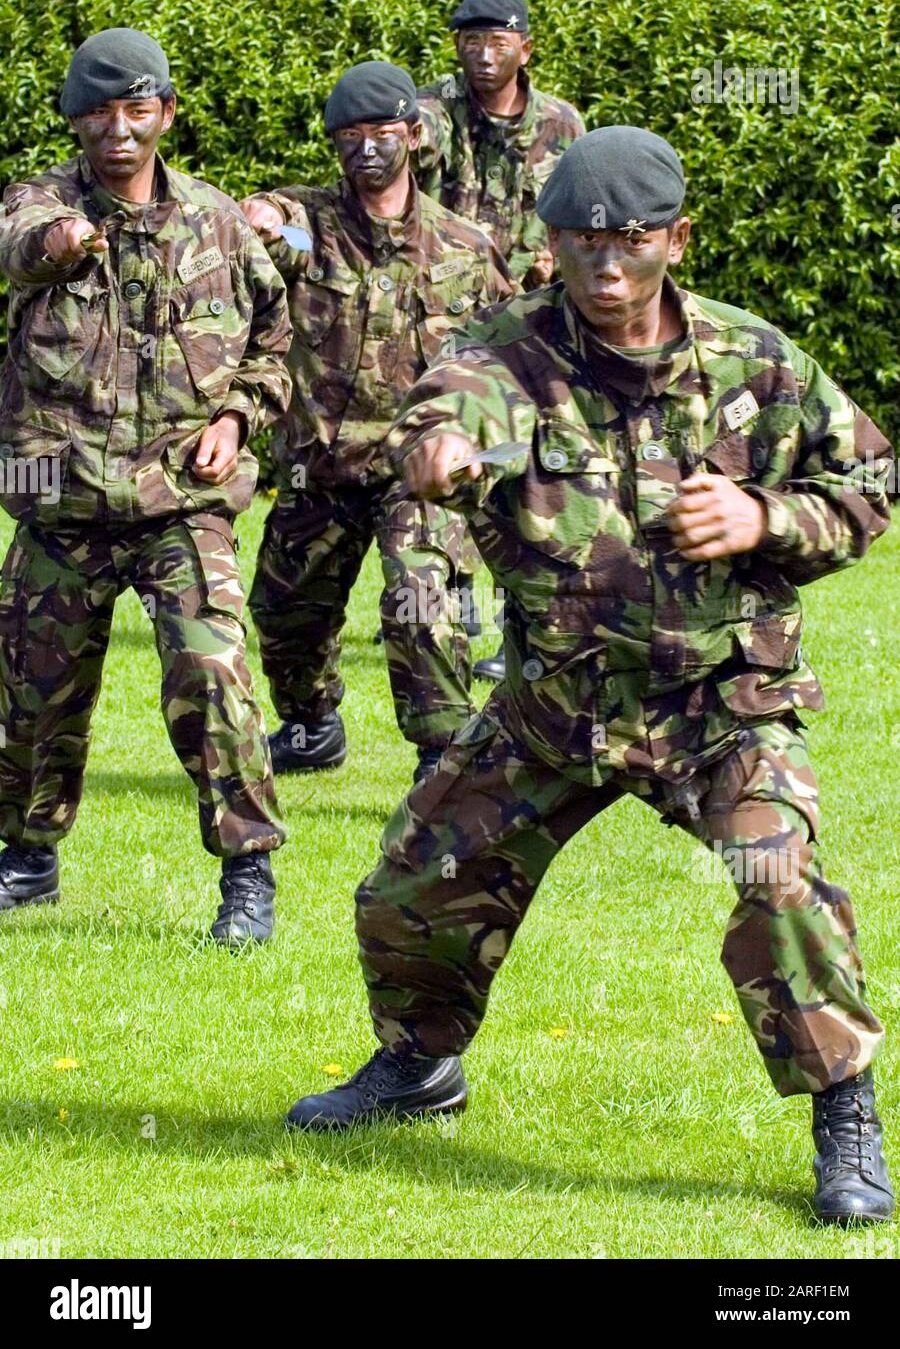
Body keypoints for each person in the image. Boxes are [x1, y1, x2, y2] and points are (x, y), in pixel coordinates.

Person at [284, 126, 895, 1225]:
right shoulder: (512, 350)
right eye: (579, 242)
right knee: (412, 888)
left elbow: (874, 475)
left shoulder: (755, 361)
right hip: (557, 705)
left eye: (630, 242)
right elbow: (449, 403)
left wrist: (771, 513)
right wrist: (440, 451)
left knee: (777, 884)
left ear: (676, 239)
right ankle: (419, 1066)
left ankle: (844, 1112)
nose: (605, 267)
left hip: (720, 704)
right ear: (550, 243)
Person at [0, 28, 291, 946]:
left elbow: (274, 347)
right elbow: (18, 246)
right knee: (32, 693)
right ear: (76, 121)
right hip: (60, 498)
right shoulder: (38, 201)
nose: (118, 129)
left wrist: (236, 419)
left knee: (212, 671)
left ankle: (248, 874)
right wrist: (65, 238)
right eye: (98, 111)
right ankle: (27, 856)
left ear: (165, 113)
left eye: (137, 108)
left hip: (180, 501)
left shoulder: (218, 225)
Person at [241, 62, 515, 785]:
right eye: (349, 136)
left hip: (417, 471)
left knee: (421, 595)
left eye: (381, 133)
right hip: (320, 467)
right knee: (284, 611)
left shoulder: (464, 245)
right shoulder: (313, 232)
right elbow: (277, 227)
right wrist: (266, 215)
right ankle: (311, 725)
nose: (366, 148)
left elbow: (512, 351)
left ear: (414, 136)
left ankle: (442, 756)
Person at [415, 0, 587, 684]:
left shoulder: (561, 124)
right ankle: (459, 618)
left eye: (497, 41)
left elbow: (579, 207)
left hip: (533, 324)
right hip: (445, 324)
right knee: (454, 472)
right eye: (470, 40)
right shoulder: (432, 112)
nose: (483, 55)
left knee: (538, 477)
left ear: (525, 47)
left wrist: (561, 261)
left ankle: (532, 624)